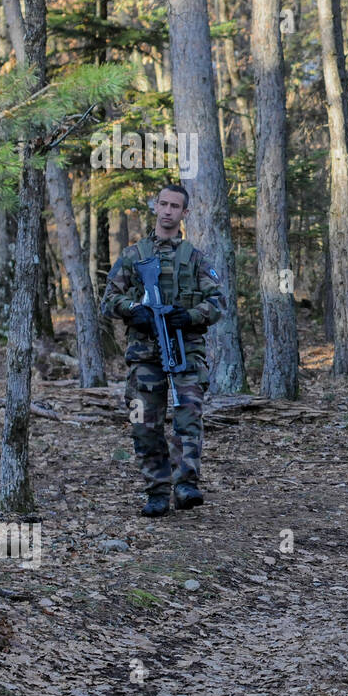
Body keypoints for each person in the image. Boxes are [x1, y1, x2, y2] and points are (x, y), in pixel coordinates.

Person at [101, 184, 224, 517]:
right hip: (145, 355)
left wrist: (191, 315)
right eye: (164, 204)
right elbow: (108, 300)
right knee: (145, 423)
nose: (168, 211)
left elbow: (218, 302)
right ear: (155, 207)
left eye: (176, 206)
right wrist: (133, 310)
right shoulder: (133, 256)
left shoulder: (195, 258)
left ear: (185, 213)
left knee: (188, 418)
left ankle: (185, 485)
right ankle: (157, 490)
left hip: (185, 351)